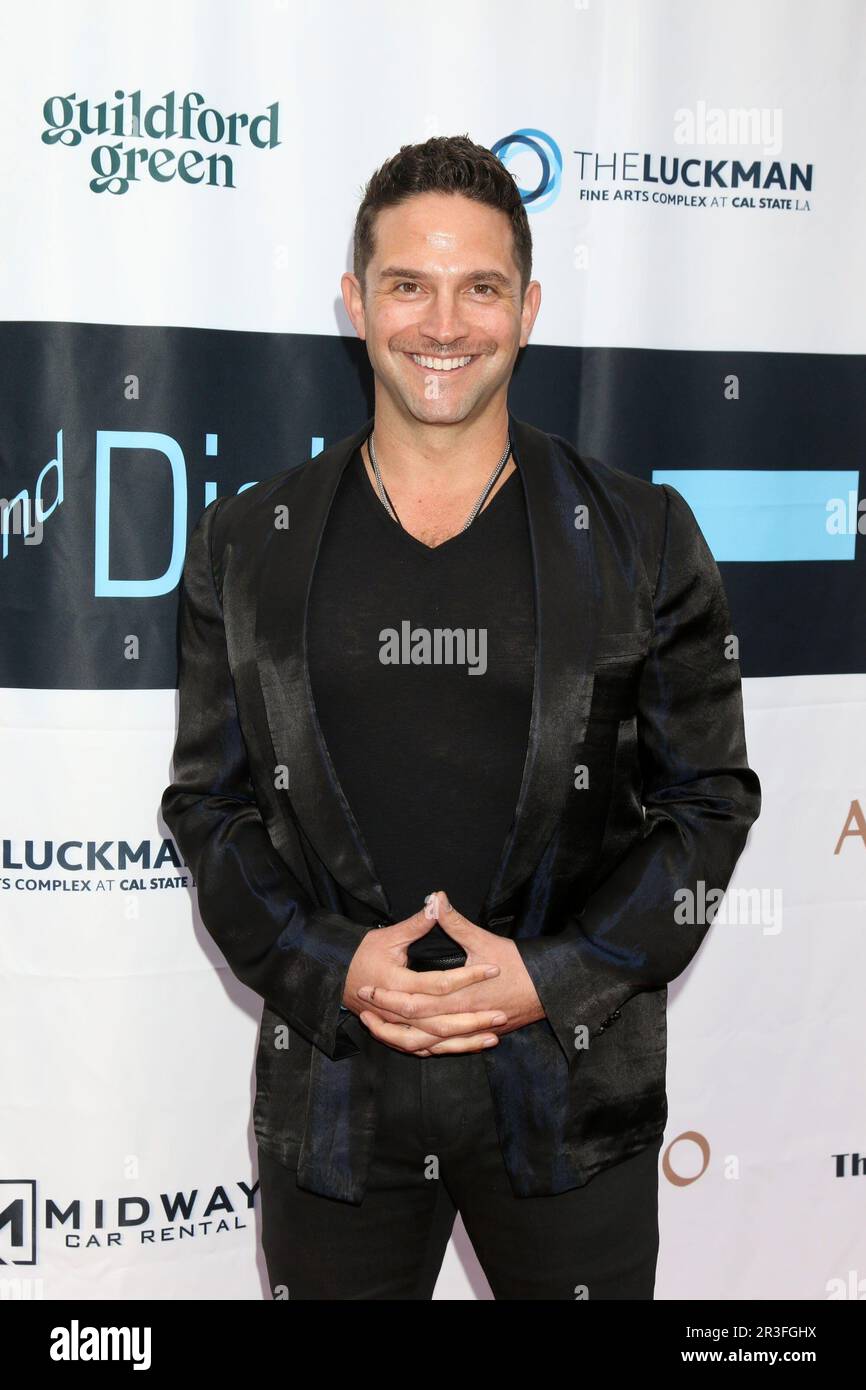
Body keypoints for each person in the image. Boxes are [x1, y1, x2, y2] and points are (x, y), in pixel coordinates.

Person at [161, 134, 761, 1300]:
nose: (444, 325)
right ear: (354, 301)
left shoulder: (639, 536)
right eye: (407, 285)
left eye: (479, 287)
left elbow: (706, 802)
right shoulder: (248, 544)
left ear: (526, 308)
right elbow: (208, 803)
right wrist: (332, 967)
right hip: (335, 1087)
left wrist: (552, 975)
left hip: (569, 1086)